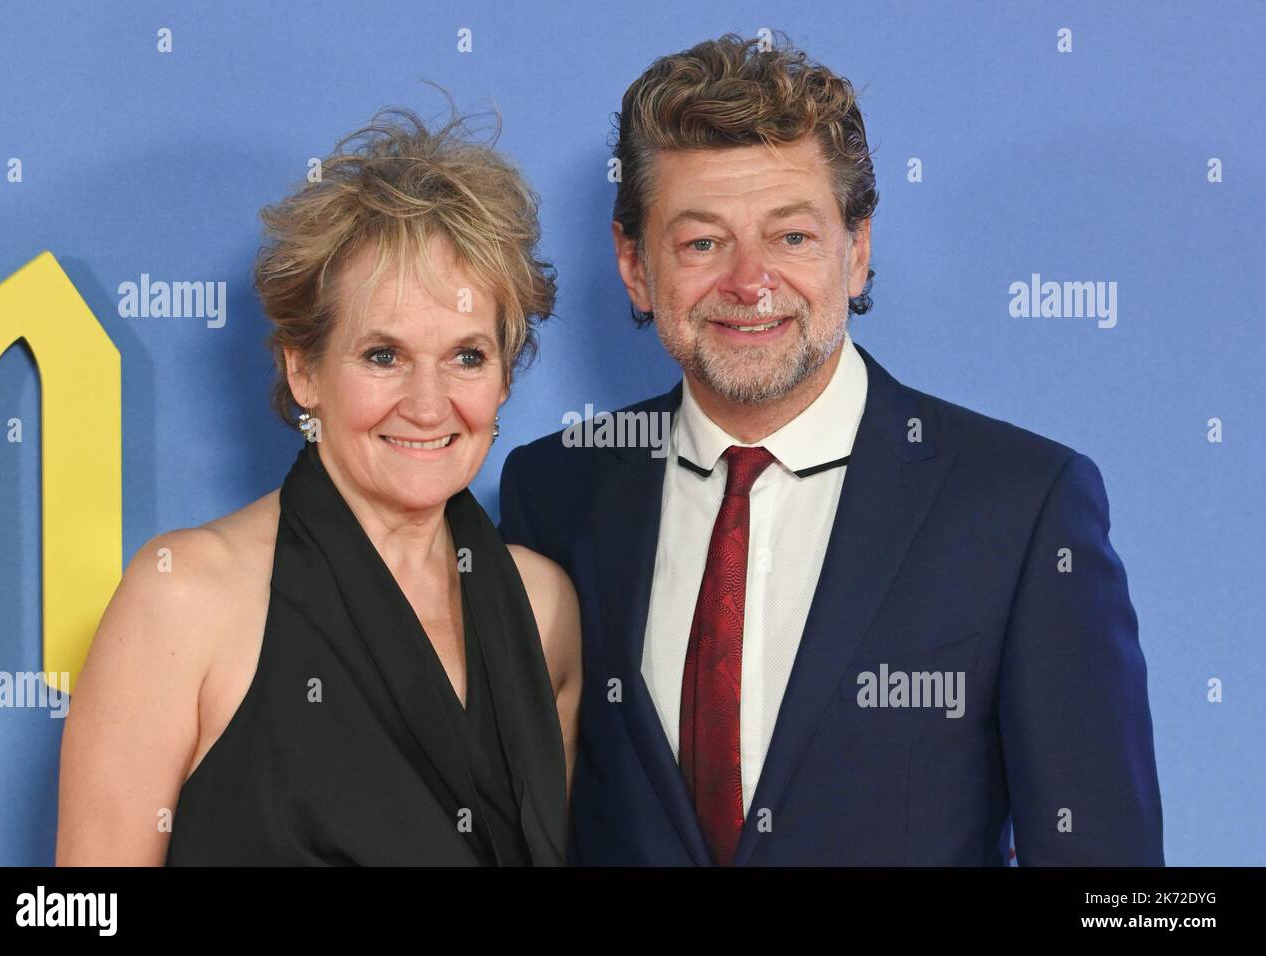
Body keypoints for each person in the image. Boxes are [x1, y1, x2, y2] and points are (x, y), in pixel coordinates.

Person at [498, 33, 1163, 866]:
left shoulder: (1022, 507)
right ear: (634, 265)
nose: (750, 282)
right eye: (702, 242)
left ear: (858, 250)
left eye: (793, 238)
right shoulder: (554, 489)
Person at [56, 106, 581, 866]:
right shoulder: (183, 597)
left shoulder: (543, 609)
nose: (429, 404)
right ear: (303, 369)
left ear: (504, 377)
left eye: (467, 357)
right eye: (382, 355)